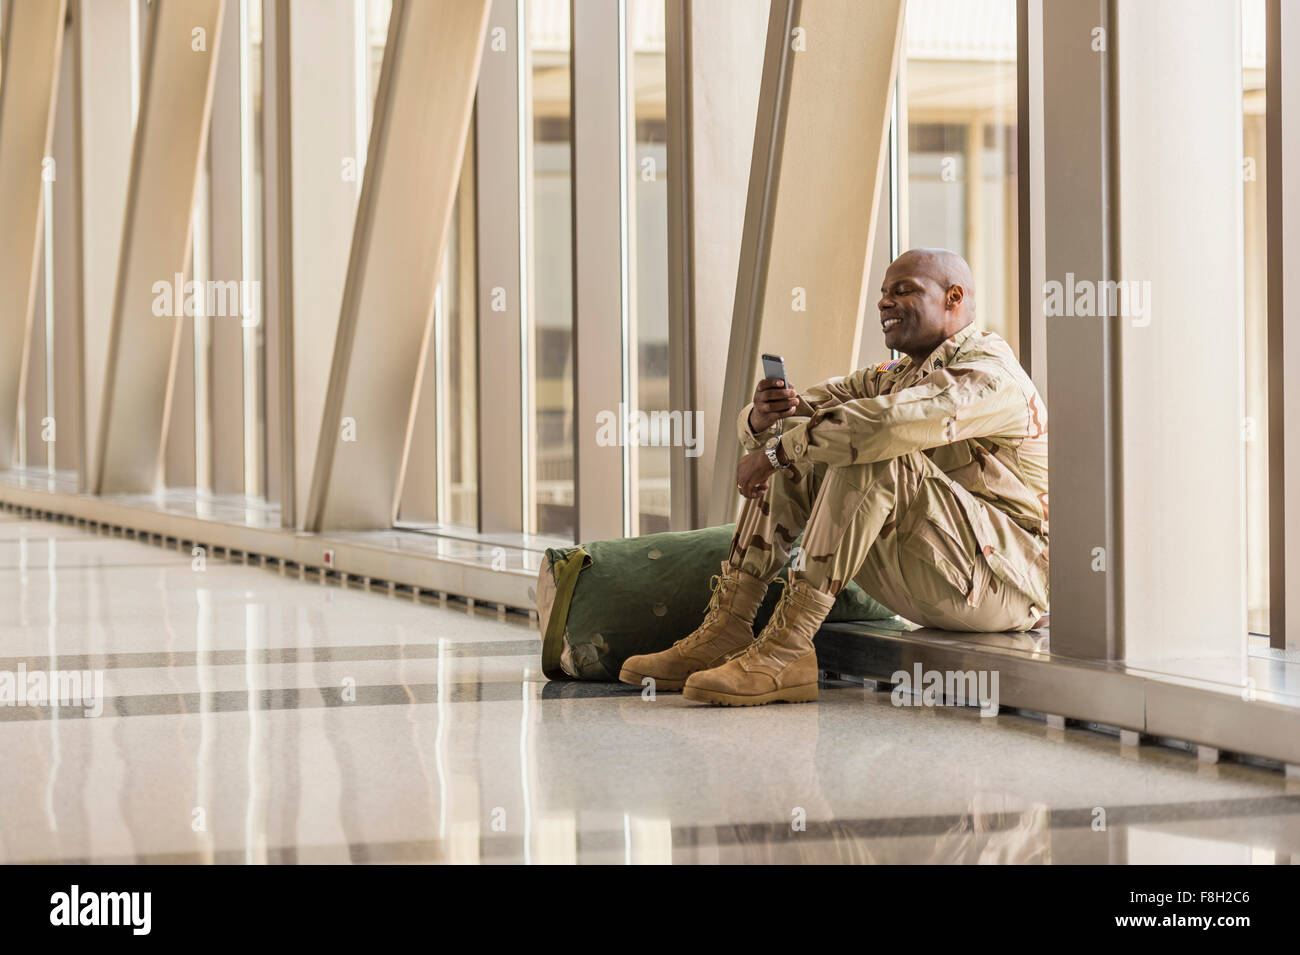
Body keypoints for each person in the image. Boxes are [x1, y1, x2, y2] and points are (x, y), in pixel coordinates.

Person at [620, 248, 1049, 706]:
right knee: (816, 443)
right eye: (883, 294)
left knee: (870, 449)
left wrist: (777, 451)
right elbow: (812, 411)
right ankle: (729, 626)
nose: (884, 303)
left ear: (954, 298)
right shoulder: (894, 373)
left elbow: (882, 428)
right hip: (936, 574)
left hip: (1002, 585)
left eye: (903, 291)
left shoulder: (989, 374)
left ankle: (788, 647)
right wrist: (765, 418)